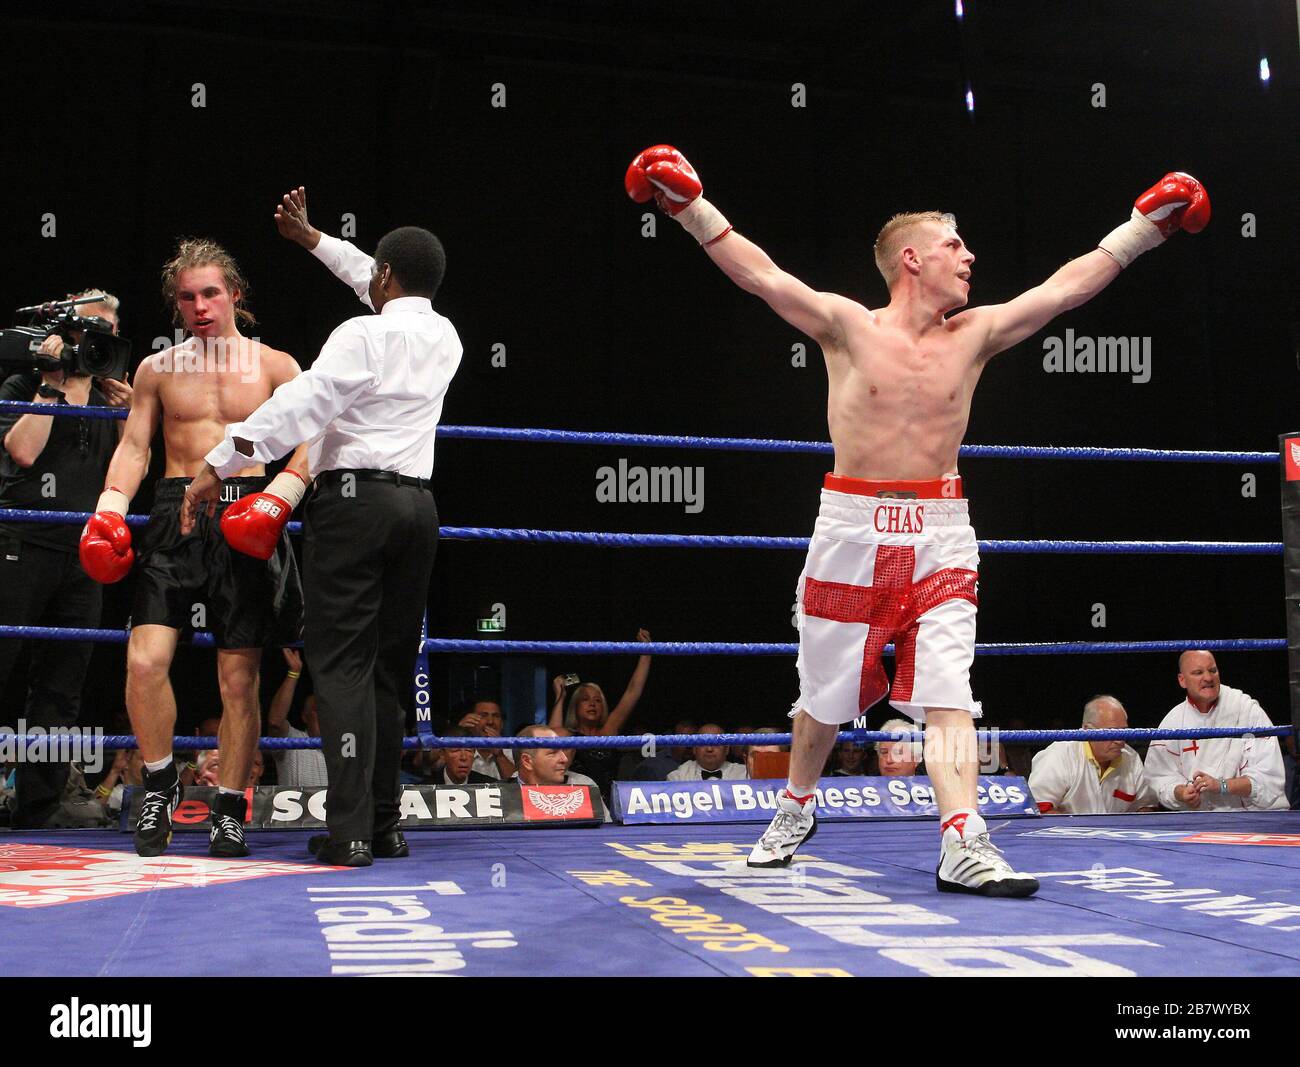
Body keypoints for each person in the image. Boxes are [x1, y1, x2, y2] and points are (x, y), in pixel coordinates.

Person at [627, 146, 1209, 895]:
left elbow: (1064, 289)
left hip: (940, 530)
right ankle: (798, 804)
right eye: (953, 245)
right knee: (824, 698)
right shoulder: (846, 325)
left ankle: (963, 838)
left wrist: (1143, 229)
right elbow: (762, 274)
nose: (969, 257)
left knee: (948, 690)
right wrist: (688, 207)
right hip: (849, 525)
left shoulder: (976, 335)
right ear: (911, 259)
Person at [185, 187, 462, 868]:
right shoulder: (444, 334)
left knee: (339, 667)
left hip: (354, 505)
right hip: (418, 509)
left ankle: (349, 833)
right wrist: (314, 241)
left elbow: (298, 407)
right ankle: (385, 822)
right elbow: (380, 275)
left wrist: (218, 464)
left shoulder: (360, 334)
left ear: (387, 276)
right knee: (389, 673)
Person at [80, 241, 308, 861]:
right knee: (145, 661)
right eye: (187, 296)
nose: (200, 306)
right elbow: (134, 448)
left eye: (211, 293)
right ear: (175, 304)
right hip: (175, 510)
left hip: (248, 510)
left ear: (235, 293)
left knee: (239, 678)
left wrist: (281, 495)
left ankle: (230, 808)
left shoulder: (276, 366)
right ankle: (157, 784)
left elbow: (317, 436)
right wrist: (109, 511)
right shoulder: (157, 370)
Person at [0, 290, 131, 828]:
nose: (99, 337)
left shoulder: (106, 401)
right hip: (20, 543)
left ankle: (40, 801)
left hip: (84, 554)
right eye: (91, 326)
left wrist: (129, 417)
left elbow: (127, 473)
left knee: (62, 686)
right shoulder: (21, 385)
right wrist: (51, 389)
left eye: (109, 329)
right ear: (68, 330)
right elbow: (24, 452)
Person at [1144, 651, 1288, 811]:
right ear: (1182, 680)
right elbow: (1159, 778)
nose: (1208, 678)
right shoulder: (1172, 722)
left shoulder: (1246, 710)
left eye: (1212, 670)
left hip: (1253, 817)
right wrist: (1181, 793)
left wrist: (1222, 785)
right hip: (1200, 821)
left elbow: (1270, 777)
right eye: (1198, 673)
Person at [548, 629, 653, 798]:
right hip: (575, 800)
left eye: (597, 700)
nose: (592, 703)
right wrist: (560, 696)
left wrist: (646, 652)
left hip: (609, 802)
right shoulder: (568, 736)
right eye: (586, 699)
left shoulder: (608, 731)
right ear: (575, 706)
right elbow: (552, 736)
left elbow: (633, 692)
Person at [1028, 695, 1154, 814]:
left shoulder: (1130, 757)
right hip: (1066, 835)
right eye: (1111, 732)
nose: (1120, 740)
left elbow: (1145, 807)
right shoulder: (1059, 756)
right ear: (1087, 730)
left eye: (1124, 731)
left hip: (1117, 834)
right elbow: (1038, 810)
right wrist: (1082, 832)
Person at [266, 648, 328, 789]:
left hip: (335, 811)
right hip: (298, 810)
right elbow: (275, 722)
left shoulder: (344, 744)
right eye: (318, 711)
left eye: (328, 711)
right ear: (304, 717)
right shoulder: (294, 741)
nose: (326, 717)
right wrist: (294, 672)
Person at [456, 697, 515, 780]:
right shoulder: (459, 752)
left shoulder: (513, 753)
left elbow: (516, 786)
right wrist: (458, 731)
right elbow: (434, 763)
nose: (490, 722)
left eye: (496, 716)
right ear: (470, 721)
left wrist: (499, 755)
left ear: (502, 724)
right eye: (483, 715)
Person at [667, 724, 746, 781]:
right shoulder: (679, 777)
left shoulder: (744, 774)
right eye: (703, 743)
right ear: (694, 748)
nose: (709, 749)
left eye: (716, 744)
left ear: (727, 749)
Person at [427, 726, 497, 786]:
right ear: (442, 754)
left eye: (468, 750)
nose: (463, 757)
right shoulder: (426, 788)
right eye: (456, 750)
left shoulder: (488, 786)